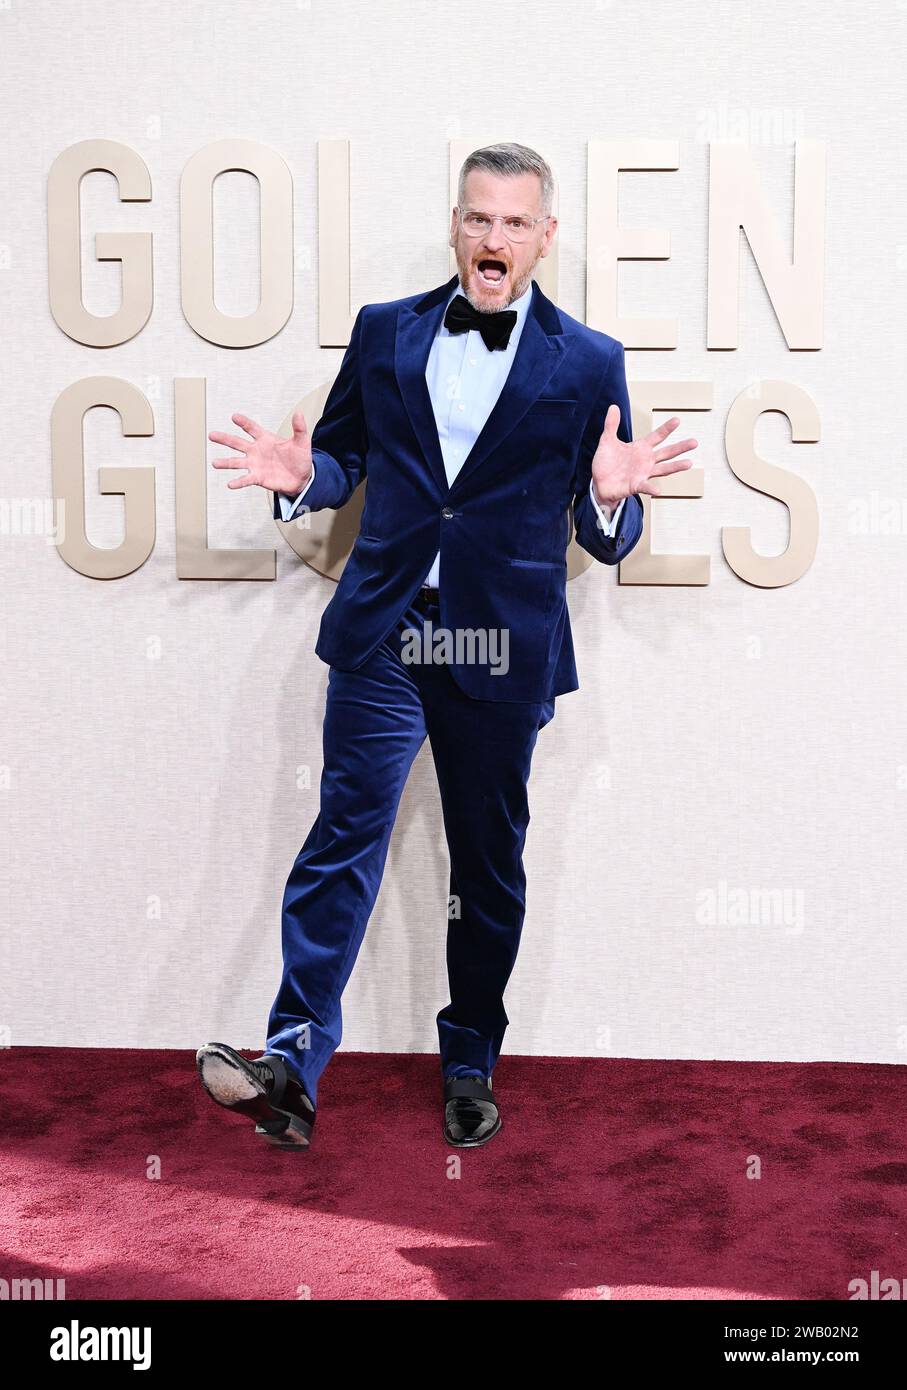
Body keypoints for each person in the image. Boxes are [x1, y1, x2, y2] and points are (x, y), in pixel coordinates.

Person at [196, 142, 697, 1150]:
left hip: (500, 640)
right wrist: (306, 473)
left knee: (488, 863)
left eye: (516, 222)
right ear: (456, 227)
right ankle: (292, 1060)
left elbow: (613, 516)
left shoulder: (592, 361)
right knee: (344, 836)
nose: (494, 238)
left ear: (545, 237)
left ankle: (470, 1056)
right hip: (389, 627)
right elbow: (340, 453)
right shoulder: (386, 333)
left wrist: (605, 503)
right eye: (479, 219)